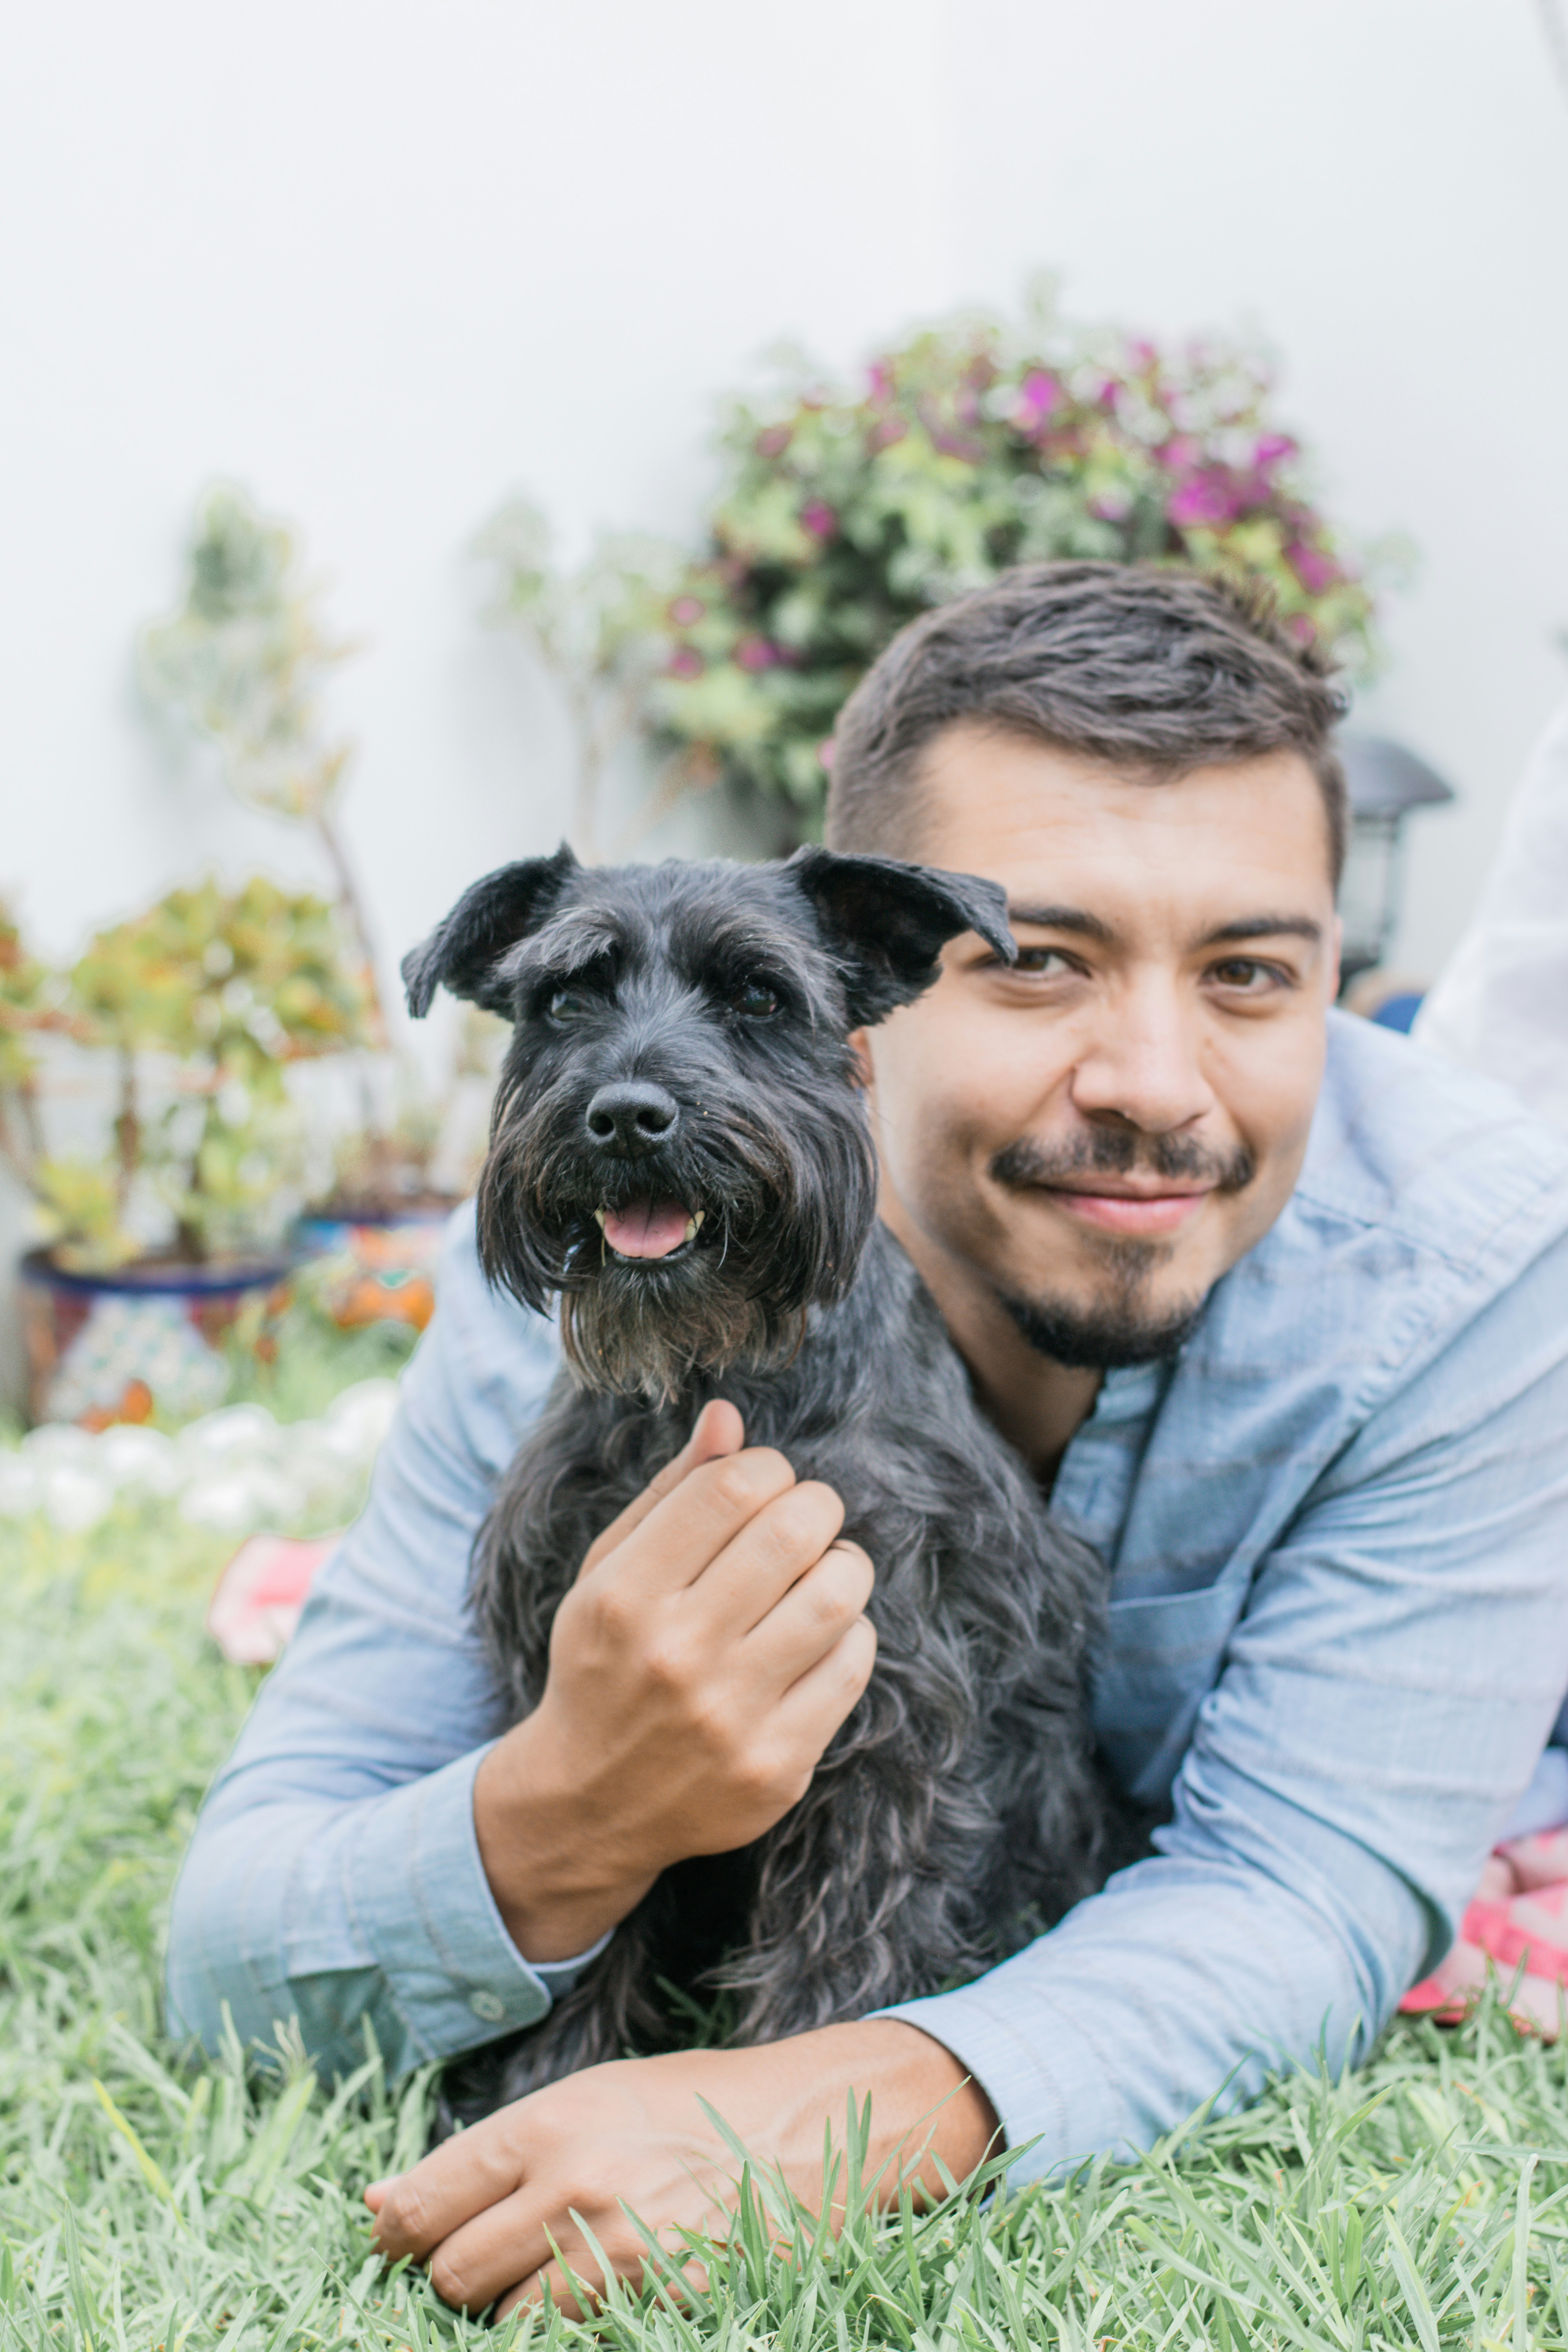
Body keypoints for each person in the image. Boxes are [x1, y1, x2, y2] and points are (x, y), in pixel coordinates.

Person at [167, 563, 1568, 2318]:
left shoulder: (1470, 1263)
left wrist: (830, 2111)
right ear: (890, 1004)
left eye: (1249, 972)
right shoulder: (591, 1263)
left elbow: (1303, 1889)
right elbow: (235, 1944)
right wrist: (572, 1801)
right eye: (1042, 962)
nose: (1152, 1075)